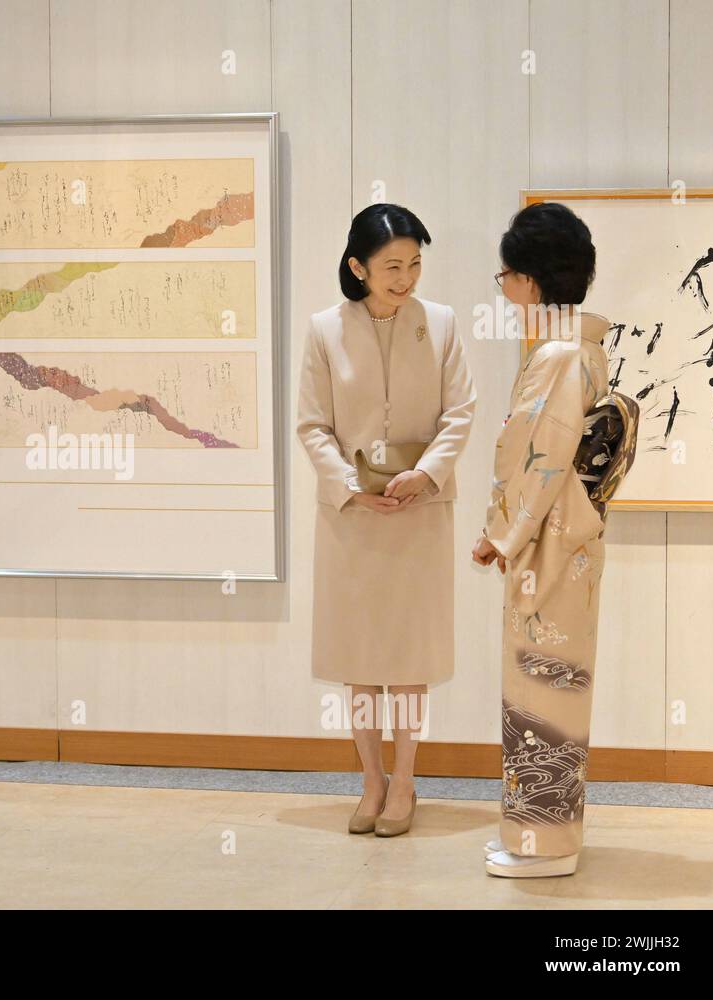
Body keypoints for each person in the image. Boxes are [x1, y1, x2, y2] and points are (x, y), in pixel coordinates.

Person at [297, 203, 476, 837]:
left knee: (409, 654)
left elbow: (461, 412)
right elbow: (313, 425)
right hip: (352, 519)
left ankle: (405, 780)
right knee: (361, 656)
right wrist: (351, 488)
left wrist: (426, 474)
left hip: (420, 512)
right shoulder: (325, 329)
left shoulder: (444, 323)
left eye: (415, 264)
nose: (406, 278)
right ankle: (370, 781)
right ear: (358, 267)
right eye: (392, 266)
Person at [472, 202, 611, 877]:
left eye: (507, 278)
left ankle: (542, 845)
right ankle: (544, 835)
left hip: (549, 545)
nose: (507, 293)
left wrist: (501, 534)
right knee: (554, 683)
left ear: (529, 280)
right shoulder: (578, 348)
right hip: (566, 543)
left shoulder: (557, 355)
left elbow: (542, 456)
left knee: (539, 687)